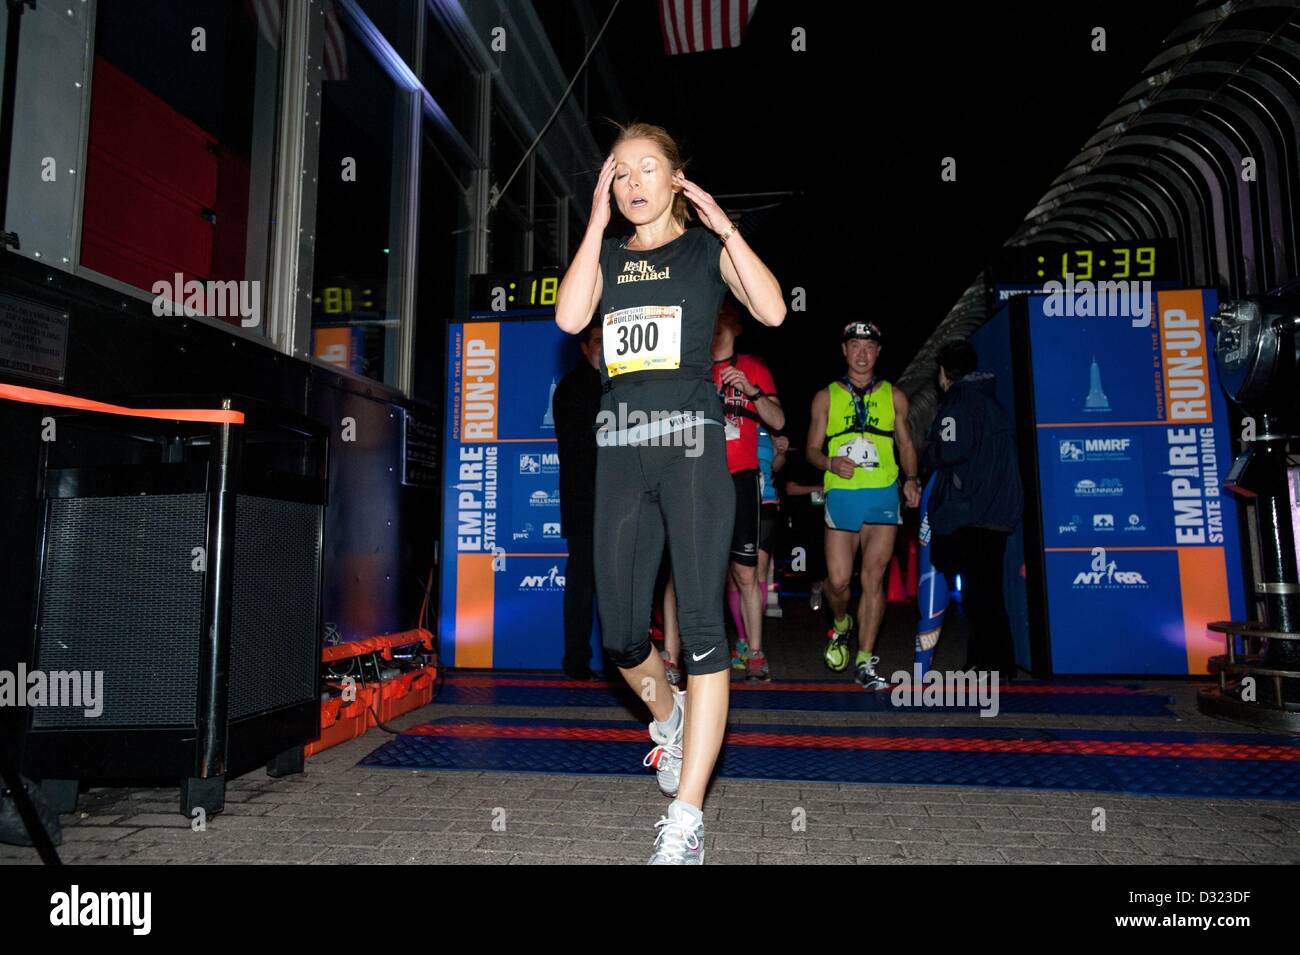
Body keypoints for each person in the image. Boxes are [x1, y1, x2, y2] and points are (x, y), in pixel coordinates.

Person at [554, 122, 786, 864]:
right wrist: (592, 225)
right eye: (620, 174)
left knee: (702, 628)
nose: (633, 184)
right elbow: (569, 317)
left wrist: (726, 229)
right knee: (621, 635)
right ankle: (671, 713)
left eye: (648, 168)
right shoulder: (612, 254)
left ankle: (686, 819)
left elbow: (775, 311)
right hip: (620, 452)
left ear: (677, 178)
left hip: (691, 451)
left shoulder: (703, 251)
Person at [806, 321, 920, 690]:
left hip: (883, 494)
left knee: (874, 578)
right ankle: (841, 624)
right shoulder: (825, 396)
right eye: (854, 345)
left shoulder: (894, 396)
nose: (862, 353)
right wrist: (829, 463)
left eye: (869, 347)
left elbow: (905, 445)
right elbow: (810, 449)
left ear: (878, 352)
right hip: (842, 494)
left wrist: (911, 480)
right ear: (844, 350)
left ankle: (865, 660)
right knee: (837, 581)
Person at [924, 339, 1023, 676]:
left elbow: (949, 451)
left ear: (942, 373)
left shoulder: (959, 401)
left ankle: (995, 665)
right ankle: (985, 661)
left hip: (974, 513)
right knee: (985, 592)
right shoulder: (991, 401)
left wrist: (929, 449)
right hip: (995, 511)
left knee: (981, 595)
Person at [710, 304, 783, 682]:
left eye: (726, 319)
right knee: (695, 572)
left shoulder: (753, 366)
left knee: (746, 570)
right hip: (700, 480)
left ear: (737, 328)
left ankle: (755, 651)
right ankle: (694, 651)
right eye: (713, 317)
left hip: (742, 478)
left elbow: (779, 421)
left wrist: (751, 392)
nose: (718, 325)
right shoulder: (693, 367)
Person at [552, 320, 604, 680]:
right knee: (583, 585)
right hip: (585, 501)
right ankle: (577, 662)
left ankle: (626, 662)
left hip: (623, 502)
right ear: (585, 348)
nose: (604, 346)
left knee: (622, 585)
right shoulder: (572, 387)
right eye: (597, 341)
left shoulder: (626, 384)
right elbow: (573, 442)